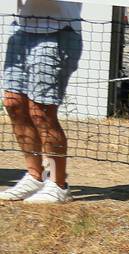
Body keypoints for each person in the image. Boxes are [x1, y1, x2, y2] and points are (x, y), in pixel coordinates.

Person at [1, 0, 82, 204]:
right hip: (21, 28)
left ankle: (58, 185)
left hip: (59, 30)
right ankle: (34, 176)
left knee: (41, 111)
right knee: (13, 103)